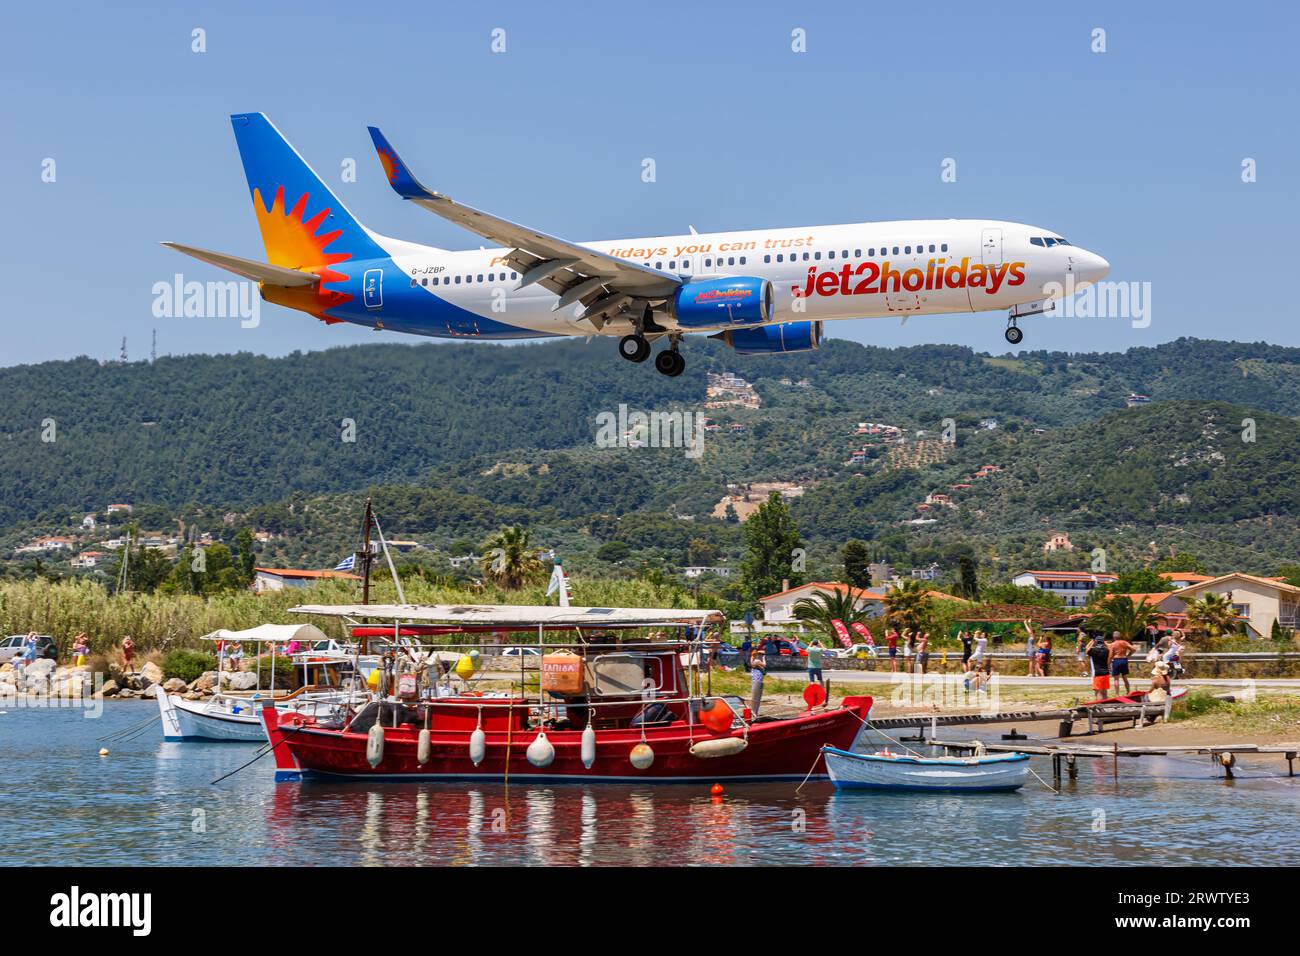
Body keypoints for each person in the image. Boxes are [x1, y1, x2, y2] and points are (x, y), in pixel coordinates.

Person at [1108, 630, 1134, 696]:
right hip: (1124, 660)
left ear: (1114, 637)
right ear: (1120, 636)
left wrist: (1108, 663)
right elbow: (1133, 649)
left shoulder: (1113, 644)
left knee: (1116, 679)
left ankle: (1117, 694)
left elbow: (1110, 655)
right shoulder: (1124, 642)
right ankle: (1128, 692)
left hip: (1116, 660)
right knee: (1125, 678)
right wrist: (1128, 656)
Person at [1086, 634, 1111, 700]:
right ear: (1103, 642)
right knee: (1105, 691)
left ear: (1096, 642)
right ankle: (1105, 704)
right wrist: (1105, 643)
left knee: (1099, 692)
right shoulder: (1106, 651)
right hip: (1106, 673)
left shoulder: (1093, 650)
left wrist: (1092, 642)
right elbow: (1111, 648)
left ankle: (1099, 704)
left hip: (1098, 673)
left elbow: (1087, 649)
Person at [749, 638, 767, 716]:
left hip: (754, 678)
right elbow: (765, 665)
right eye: (760, 654)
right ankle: (755, 712)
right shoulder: (757, 661)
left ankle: (754, 711)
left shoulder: (752, 660)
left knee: (754, 694)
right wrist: (764, 658)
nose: (761, 655)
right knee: (757, 695)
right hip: (758, 678)